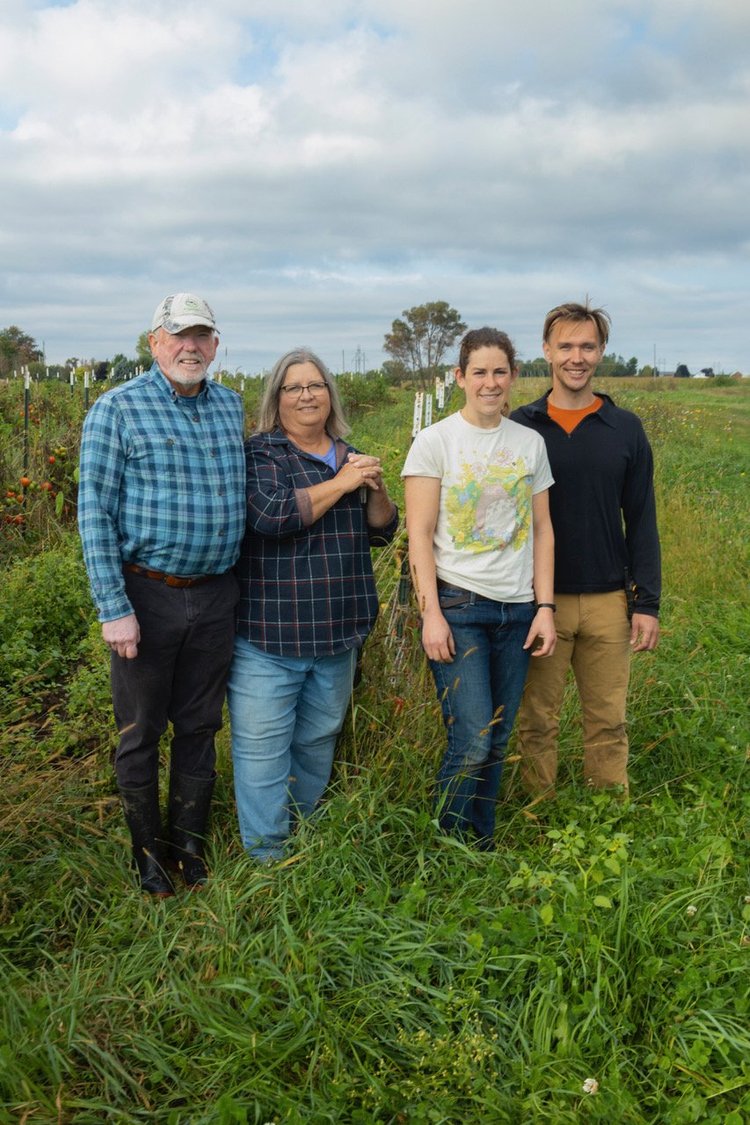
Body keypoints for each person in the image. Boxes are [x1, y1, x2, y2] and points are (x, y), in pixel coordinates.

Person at [78, 293, 246, 897]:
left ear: (216, 345)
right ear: (154, 342)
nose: (191, 347)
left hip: (216, 595)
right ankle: (149, 859)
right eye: (179, 336)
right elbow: (93, 513)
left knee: (201, 726)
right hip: (146, 595)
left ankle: (190, 849)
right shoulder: (116, 409)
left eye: (202, 336)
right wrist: (114, 608)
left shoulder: (229, 406)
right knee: (141, 730)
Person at [227, 348, 398, 862]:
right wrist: (344, 481)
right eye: (294, 387)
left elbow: (384, 531)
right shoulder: (261, 455)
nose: (307, 395)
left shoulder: (349, 453)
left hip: (338, 632)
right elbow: (272, 516)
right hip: (270, 637)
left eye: (316, 385)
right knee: (262, 754)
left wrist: (375, 487)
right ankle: (266, 859)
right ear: (276, 398)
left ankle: (302, 843)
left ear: (330, 395)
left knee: (316, 742)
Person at [402, 327, 556, 848]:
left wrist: (545, 607)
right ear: (460, 377)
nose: (490, 383)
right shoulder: (435, 442)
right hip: (459, 606)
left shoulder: (529, 444)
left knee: (498, 736)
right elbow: (418, 537)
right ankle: (446, 845)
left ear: (512, 376)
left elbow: (542, 531)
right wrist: (430, 614)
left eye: (499, 372)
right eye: (479, 372)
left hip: (517, 611)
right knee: (471, 738)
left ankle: (480, 840)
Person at [511, 300, 661, 797]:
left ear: (601, 352)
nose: (577, 357)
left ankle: (607, 812)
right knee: (536, 721)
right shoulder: (519, 427)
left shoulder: (626, 430)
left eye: (587, 346)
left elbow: (641, 520)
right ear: (547, 351)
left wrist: (647, 603)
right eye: (566, 345)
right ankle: (540, 811)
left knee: (607, 720)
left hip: (607, 602)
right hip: (537, 603)